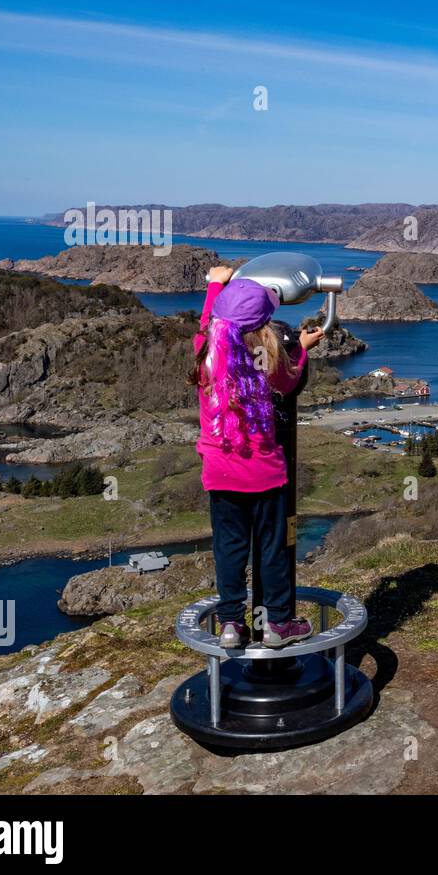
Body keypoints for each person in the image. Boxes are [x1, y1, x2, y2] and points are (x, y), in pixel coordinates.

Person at [189, 265, 325, 648]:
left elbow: (207, 323)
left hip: (220, 476)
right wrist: (302, 348)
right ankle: (278, 625)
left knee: (229, 550)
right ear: (264, 325)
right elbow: (291, 381)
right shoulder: (270, 359)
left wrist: (215, 285)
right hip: (266, 477)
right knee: (272, 550)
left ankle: (231, 624)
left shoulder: (205, 355)